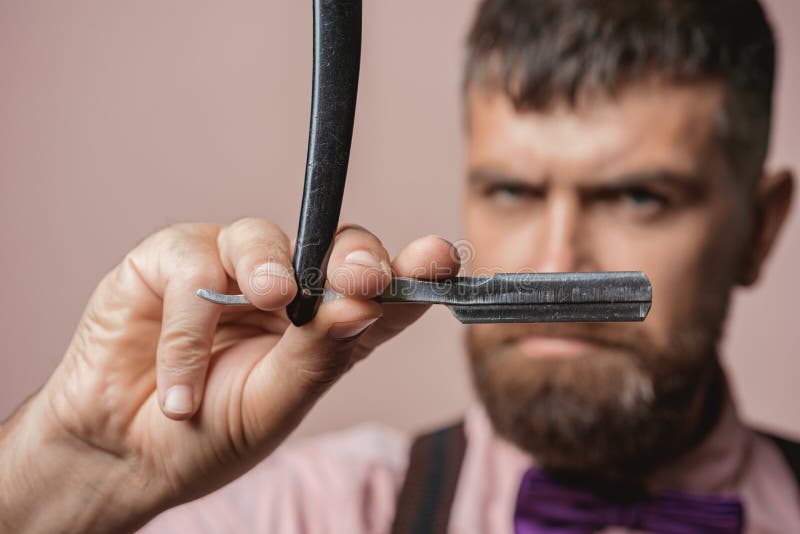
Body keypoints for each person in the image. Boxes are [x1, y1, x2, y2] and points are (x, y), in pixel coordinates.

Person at [1, 0, 798, 532]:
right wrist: (78, 469)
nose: (556, 261)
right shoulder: (309, 514)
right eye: (512, 190)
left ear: (760, 229)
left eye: (638, 198)